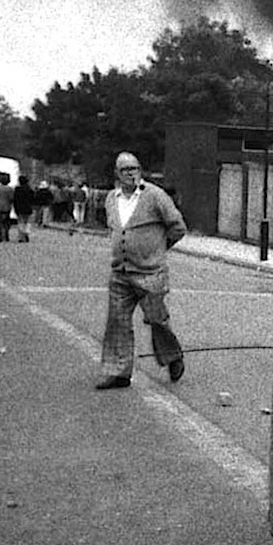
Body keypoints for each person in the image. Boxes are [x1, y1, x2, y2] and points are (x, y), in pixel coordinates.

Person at [96, 152, 187, 390]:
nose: (131, 173)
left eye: (134, 168)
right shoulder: (111, 198)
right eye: (125, 170)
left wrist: (159, 248)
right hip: (120, 273)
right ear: (117, 174)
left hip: (150, 273)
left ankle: (172, 356)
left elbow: (177, 226)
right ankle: (119, 372)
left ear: (141, 170)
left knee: (157, 319)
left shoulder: (155, 196)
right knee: (117, 322)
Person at [0, 177, 15, 242]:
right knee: (6, 222)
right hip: (7, 206)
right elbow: (11, 198)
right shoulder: (10, 189)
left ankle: (0, 236)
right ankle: (6, 236)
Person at [13, 175, 35, 243]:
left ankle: (21, 236)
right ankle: (26, 232)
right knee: (27, 222)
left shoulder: (17, 189)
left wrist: (15, 208)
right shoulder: (29, 189)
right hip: (28, 207)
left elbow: (15, 199)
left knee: (20, 222)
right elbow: (33, 199)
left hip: (19, 208)